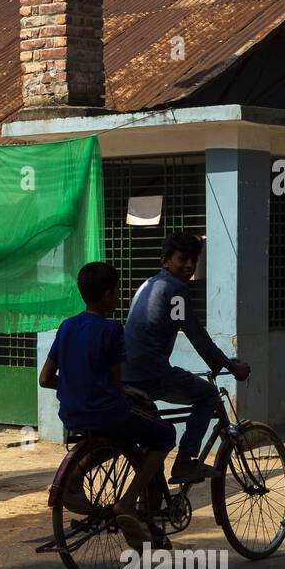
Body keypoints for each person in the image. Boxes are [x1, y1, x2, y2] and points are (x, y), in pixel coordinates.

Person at [39, 261, 176, 548]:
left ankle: (144, 524)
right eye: (116, 293)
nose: (117, 298)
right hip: (108, 412)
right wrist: (130, 393)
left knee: (133, 438)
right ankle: (127, 503)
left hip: (74, 414)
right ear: (106, 294)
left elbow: (45, 378)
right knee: (165, 434)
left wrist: (74, 384)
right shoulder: (112, 330)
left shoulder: (66, 327)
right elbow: (116, 384)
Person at [123, 232, 250, 484]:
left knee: (154, 438)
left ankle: (149, 503)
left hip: (126, 374)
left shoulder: (149, 284)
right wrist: (229, 366)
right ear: (165, 261)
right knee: (208, 396)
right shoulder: (176, 289)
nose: (190, 266)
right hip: (151, 373)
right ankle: (184, 463)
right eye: (183, 259)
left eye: (194, 260)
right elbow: (195, 333)